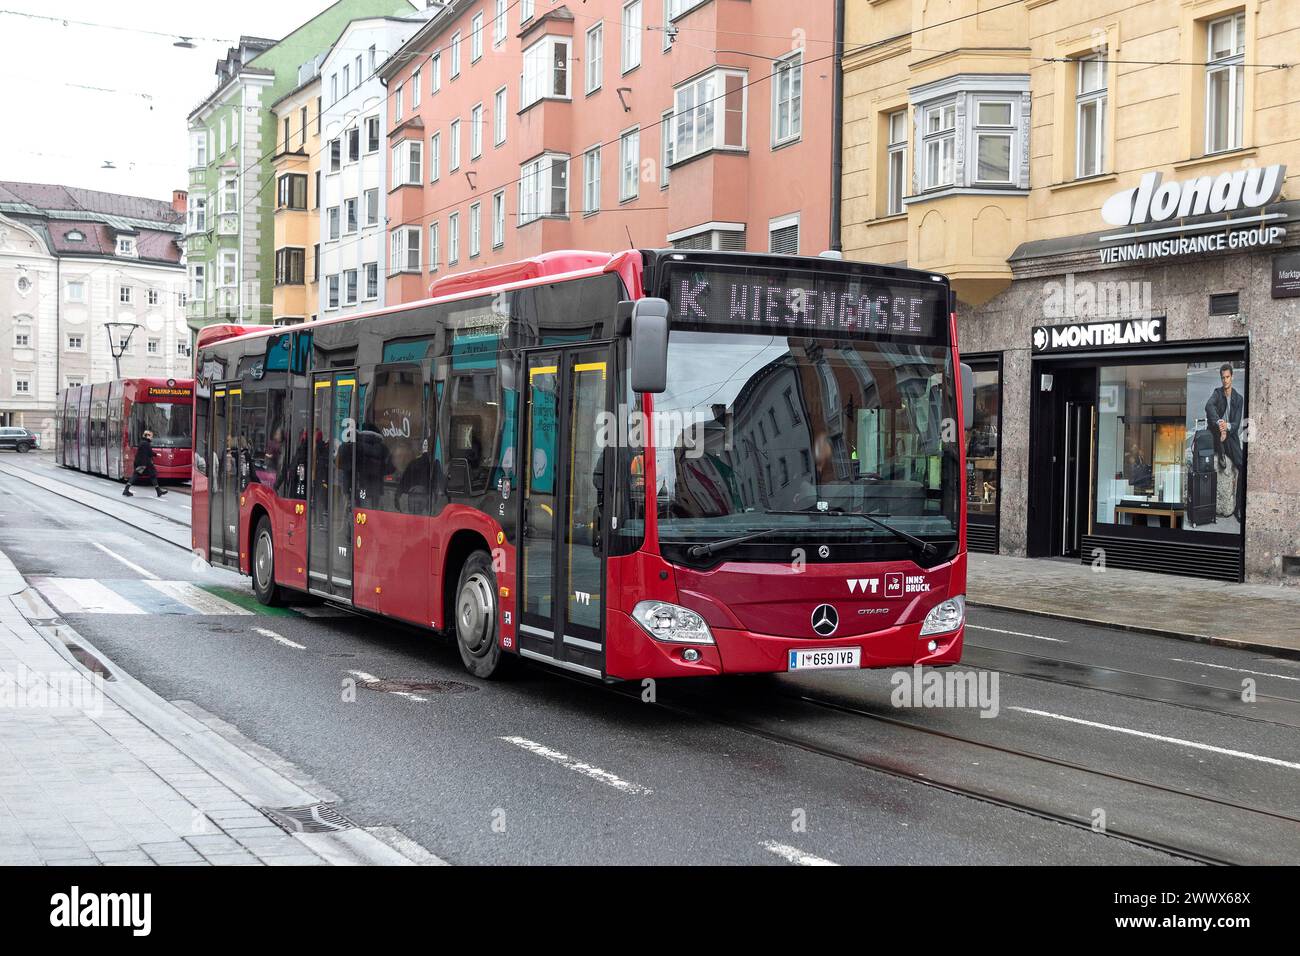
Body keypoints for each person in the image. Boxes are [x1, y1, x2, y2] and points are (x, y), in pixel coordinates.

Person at [1204, 363, 1245, 522]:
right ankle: (1220, 452)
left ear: (1232, 377)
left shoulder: (1238, 399)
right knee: (1213, 416)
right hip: (1217, 433)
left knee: (1242, 466)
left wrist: (1226, 427)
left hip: (1230, 436)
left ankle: (1238, 509)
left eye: (1228, 377)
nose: (1225, 380)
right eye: (1223, 378)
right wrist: (1219, 423)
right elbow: (1208, 406)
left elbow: (1235, 424)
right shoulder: (1217, 393)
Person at [123, 430, 166, 497]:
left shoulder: (143, 442)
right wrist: (156, 454)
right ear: (147, 436)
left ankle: (158, 491)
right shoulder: (145, 443)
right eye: (151, 436)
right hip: (144, 464)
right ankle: (126, 490)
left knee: (151, 475)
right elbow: (149, 453)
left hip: (143, 463)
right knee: (138, 475)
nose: (152, 438)